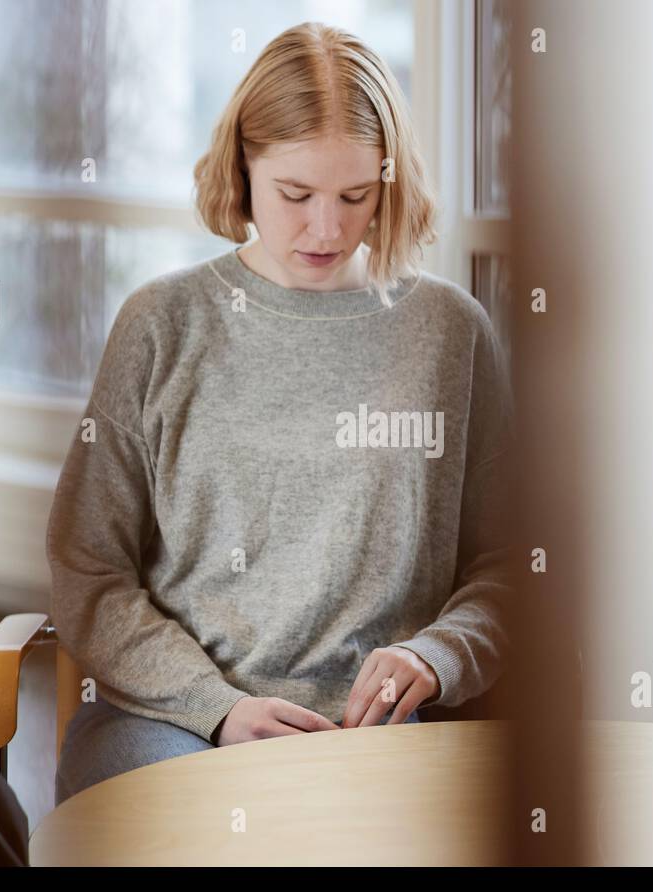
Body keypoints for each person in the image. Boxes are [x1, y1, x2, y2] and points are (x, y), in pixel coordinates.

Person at [49, 21, 514, 806]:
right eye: (295, 195)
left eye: (356, 196)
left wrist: (439, 654)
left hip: (386, 734)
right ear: (241, 171)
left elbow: (517, 567)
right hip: (178, 723)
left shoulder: (449, 333)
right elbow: (89, 569)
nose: (327, 228)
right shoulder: (163, 324)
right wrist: (216, 706)